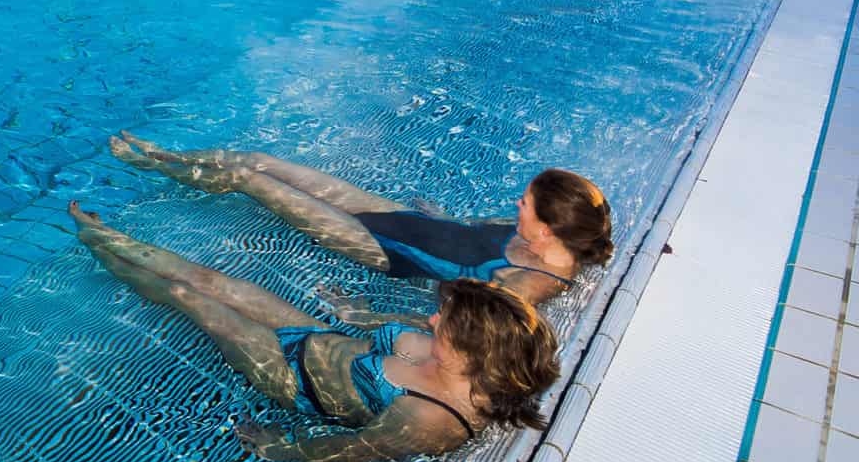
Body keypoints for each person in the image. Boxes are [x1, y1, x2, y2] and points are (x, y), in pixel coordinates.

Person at [70, 202, 558, 462]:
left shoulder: (430, 420)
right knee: (211, 281)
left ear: (471, 356)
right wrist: (355, 312)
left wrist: (280, 446)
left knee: (191, 299)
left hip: (292, 376)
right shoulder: (465, 357)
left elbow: (347, 452)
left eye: (443, 326)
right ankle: (106, 237)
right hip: (318, 335)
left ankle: (101, 255)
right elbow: (388, 333)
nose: (431, 321)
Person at [109, 135, 613, 320]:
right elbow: (471, 230)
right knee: (260, 160)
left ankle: (153, 166)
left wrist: (364, 312)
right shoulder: (542, 232)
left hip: (381, 247)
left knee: (248, 179)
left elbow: (454, 325)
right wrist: (437, 218)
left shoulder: (525, 286)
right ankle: (159, 158)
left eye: (526, 204)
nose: (517, 204)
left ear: (546, 231)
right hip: (403, 216)